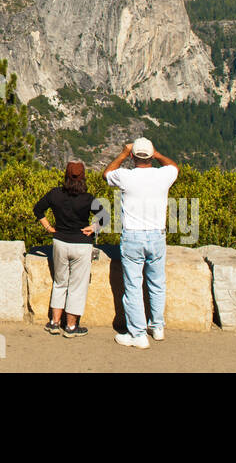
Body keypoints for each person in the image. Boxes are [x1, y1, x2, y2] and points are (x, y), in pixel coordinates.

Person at [103, 138, 178, 348]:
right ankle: (157, 326)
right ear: (151, 155)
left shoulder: (126, 177)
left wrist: (123, 154)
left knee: (133, 287)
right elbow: (173, 166)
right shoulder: (164, 175)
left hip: (133, 236)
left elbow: (106, 174)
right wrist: (159, 154)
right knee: (157, 283)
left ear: (134, 156)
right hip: (157, 235)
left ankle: (137, 334)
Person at [33, 159, 100, 337]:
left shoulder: (55, 194)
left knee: (60, 282)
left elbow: (37, 209)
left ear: (66, 176)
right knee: (77, 286)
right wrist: (93, 228)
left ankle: (54, 322)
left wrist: (48, 227)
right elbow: (104, 217)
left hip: (60, 242)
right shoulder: (88, 198)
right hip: (81, 244)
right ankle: (71, 326)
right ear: (83, 178)